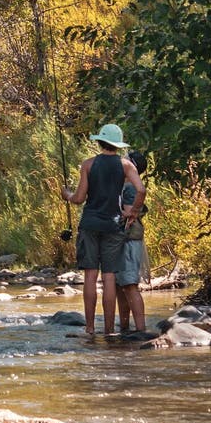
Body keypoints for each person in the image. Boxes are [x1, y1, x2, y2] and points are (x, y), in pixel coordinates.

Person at [61, 123, 146, 336]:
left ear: (99, 142)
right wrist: (133, 211)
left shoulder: (88, 165)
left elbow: (79, 199)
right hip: (113, 226)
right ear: (117, 145)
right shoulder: (127, 166)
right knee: (109, 277)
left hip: (90, 224)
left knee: (90, 276)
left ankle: (90, 328)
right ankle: (109, 330)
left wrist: (67, 195)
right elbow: (141, 189)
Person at [116, 151, 151, 334]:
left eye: (125, 160)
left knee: (129, 285)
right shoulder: (127, 186)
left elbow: (129, 213)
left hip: (128, 241)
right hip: (124, 240)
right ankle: (124, 327)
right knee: (120, 286)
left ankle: (140, 330)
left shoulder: (129, 188)